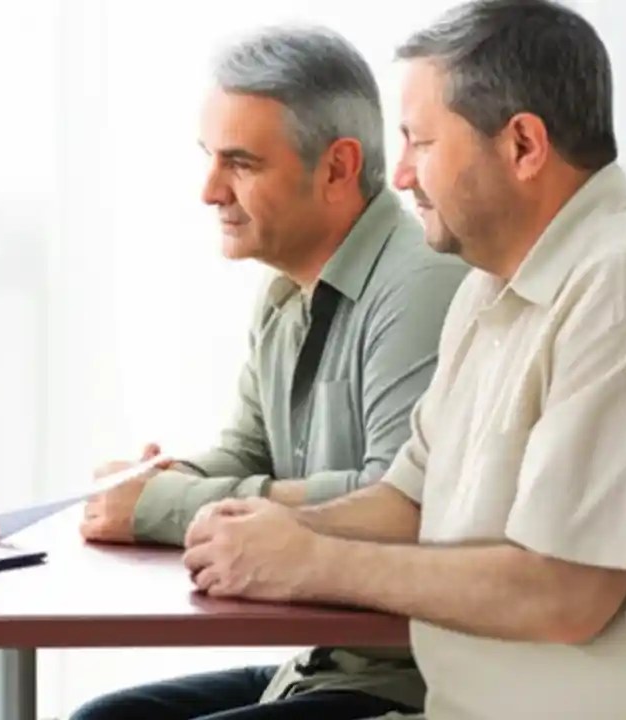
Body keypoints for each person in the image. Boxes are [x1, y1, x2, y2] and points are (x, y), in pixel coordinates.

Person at [182, 1, 626, 718]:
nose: (400, 176)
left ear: (524, 146)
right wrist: (264, 531)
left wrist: (312, 559)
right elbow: (409, 501)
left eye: (420, 143)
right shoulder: (487, 289)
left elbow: (566, 595)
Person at [73, 25, 466, 720]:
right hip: (318, 663)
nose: (208, 190)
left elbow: (393, 496)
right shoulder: (286, 293)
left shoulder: (421, 282)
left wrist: (160, 510)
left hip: (404, 680)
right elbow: (249, 452)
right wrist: (167, 481)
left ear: (339, 168)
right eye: (209, 158)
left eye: (241, 163)